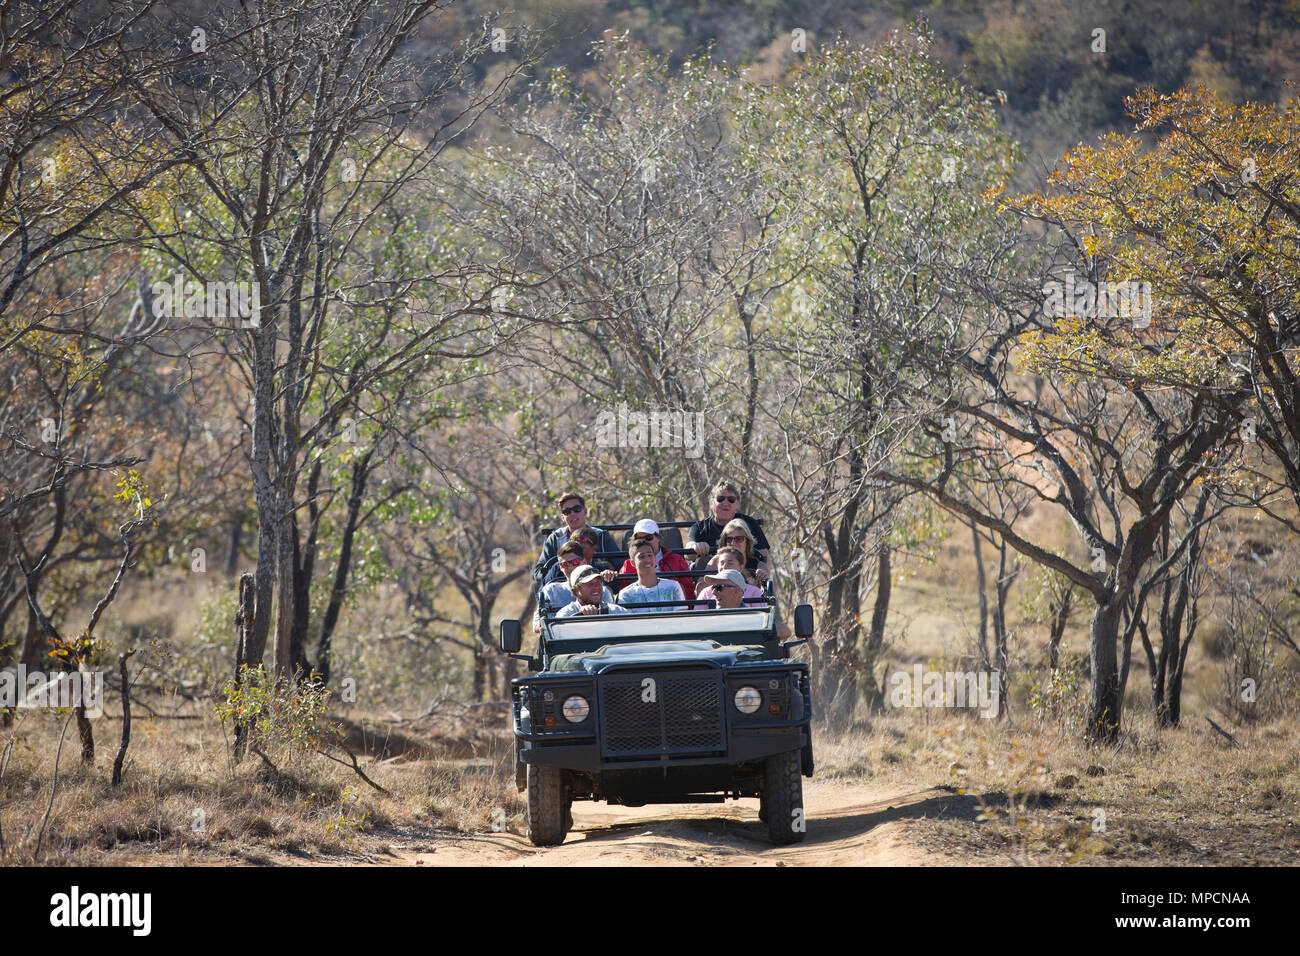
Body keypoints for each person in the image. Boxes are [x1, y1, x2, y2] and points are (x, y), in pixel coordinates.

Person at [686, 479, 771, 579]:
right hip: (713, 581)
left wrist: (763, 572)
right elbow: (688, 554)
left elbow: (764, 556)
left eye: (731, 499)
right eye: (720, 499)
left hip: (747, 580)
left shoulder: (750, 524)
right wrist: (695, 546)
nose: (725, 503)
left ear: (737, 504)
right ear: (711, 503)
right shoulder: (700, 528)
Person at [532, 491, 620, 586]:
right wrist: (563, 571)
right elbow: (538, 573)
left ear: (585, 511)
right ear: (562, 517)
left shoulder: (601, 536)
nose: (572, 514)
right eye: (567, 512)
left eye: (577, 509)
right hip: (563, 593)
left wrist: (607, 573)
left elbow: (620, 566)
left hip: (598, 590)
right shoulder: (555, 539)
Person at [534, 542, 615, 631]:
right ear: (560, 567)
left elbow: (612, 619)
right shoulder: (551, 590)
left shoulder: (600, 590)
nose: (571, 567)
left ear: (584, 562)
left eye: (575, 562)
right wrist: (548, 627)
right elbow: (538, 623)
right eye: (565, 564)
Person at [615, 518, 695, 599]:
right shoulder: (628, 565)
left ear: (658, 538)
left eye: (648, 538)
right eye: (639, 539)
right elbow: (622, 592)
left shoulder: (677, 560)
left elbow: (689, 592)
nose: (644, 542)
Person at [699, 568, 791, 638]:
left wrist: (750, 624)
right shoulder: (707, 617)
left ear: (737, 591)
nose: (713, 592)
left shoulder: (755, 617)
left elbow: (785, 632)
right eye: (713, 588)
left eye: (719, 588)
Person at [616, 539, 687, 611]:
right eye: (642, 557)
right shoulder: (626, 595)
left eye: (650, 555)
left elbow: (681, 618)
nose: (647, 560)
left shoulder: (673, 587)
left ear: (655, 558)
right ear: (633, 563)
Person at [539, 526, 614, 586]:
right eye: (573, 547)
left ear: (593, 549)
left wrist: (608, 576)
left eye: (575, 562)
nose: (577, 551)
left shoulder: (599, 570)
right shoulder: (558, 568)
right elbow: (543, 594)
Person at [555, 564, 631, 617]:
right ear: (576, 590)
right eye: (589, 584)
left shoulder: (617, 611)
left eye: (598, 582)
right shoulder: (566, 615)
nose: (596, 587)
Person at [696, 547, 764, 604]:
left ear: (741, 567)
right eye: (722, 563)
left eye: (730, 563)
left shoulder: (755, 592)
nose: (724, 567)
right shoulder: (706, 593)